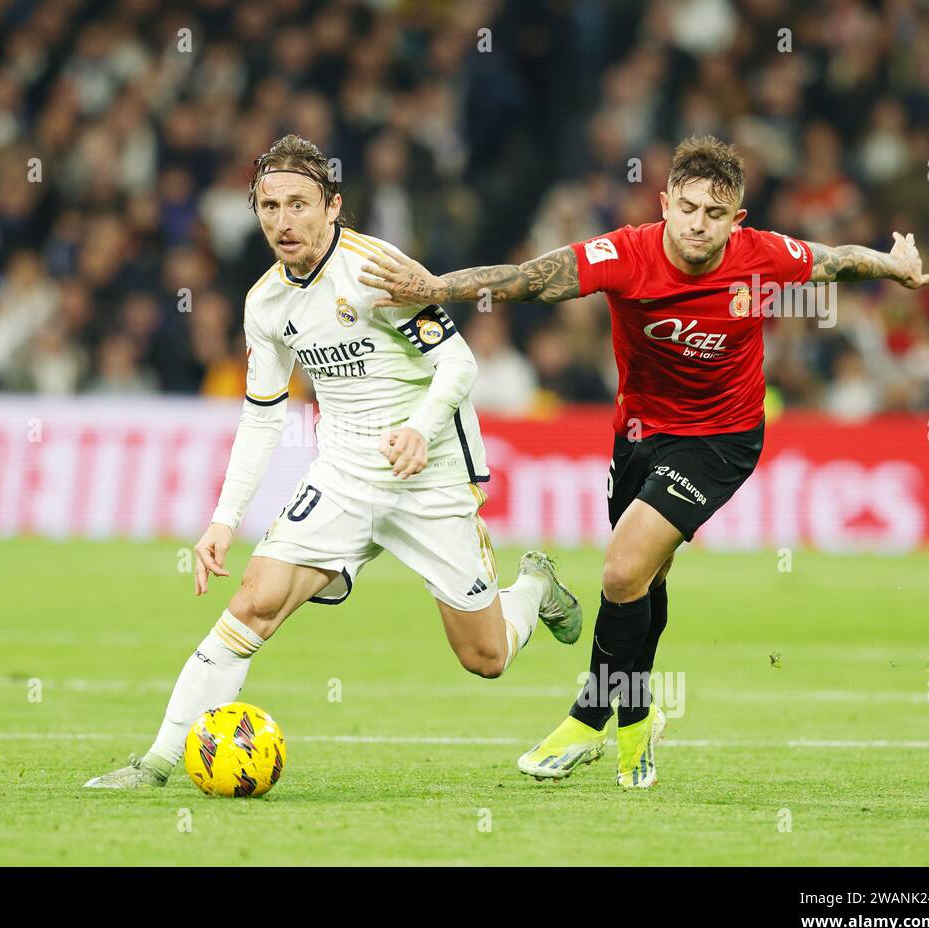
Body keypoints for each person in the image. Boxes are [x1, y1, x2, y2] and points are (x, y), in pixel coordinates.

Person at [358, 135, 929, 789]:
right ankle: (639, 718)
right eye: (686, 207)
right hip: (637, 434)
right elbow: (526, 281)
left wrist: (892, 264)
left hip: (721, 439)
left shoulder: (761, 257)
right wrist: (436, 285)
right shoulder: (626, 255)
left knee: (621, 568)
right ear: (665, 204)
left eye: (714, 214)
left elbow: (832, 263)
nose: (698, 223)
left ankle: (590, 719)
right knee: (643, 583)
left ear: (736, 221)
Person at [86, 134, 581, 790]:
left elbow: (459, 363)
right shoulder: (265, 304)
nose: (282, 221)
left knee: (485, 657)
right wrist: (223, 519)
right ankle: (155, 763)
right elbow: (263, 413)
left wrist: (418, 430)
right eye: (269, 206)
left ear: (332, 205)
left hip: (426, 467)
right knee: (256, 600)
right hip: (343, 469)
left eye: (298, 204)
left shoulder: (377, 271)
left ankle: (534, 587)